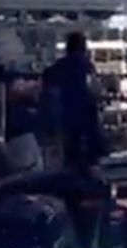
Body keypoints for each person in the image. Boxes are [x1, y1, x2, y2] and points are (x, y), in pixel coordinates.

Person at [0, 111, 104, 248]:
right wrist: (14, 179)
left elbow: (13, 169)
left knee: (62, 184)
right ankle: (78, 247)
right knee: (55, 190)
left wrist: (3, 151)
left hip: (11, 193)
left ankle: (84, 241)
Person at [42, 31, 107, 168]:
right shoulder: (87, 66)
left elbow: (47, 79)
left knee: (71, 151)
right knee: (91, 152)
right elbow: (95, 89)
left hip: (66, 113)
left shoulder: (60, 66)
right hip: (86, 113)